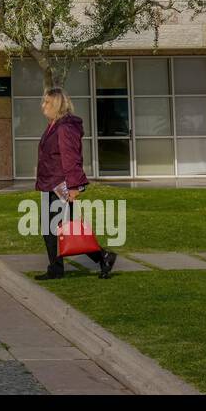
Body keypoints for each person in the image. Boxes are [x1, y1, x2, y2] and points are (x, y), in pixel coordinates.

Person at [35, 86, 117, 281]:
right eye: (43, 101)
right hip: (51, 184)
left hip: (61, 185)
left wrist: (73, 187)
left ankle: (97, 258)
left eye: (47, 102)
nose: (43, 105)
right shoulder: (54, 125)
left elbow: (70, 159)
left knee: (58, 229)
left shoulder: (64, 128)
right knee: (56, 228)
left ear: (56, 104)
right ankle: (98, 258)